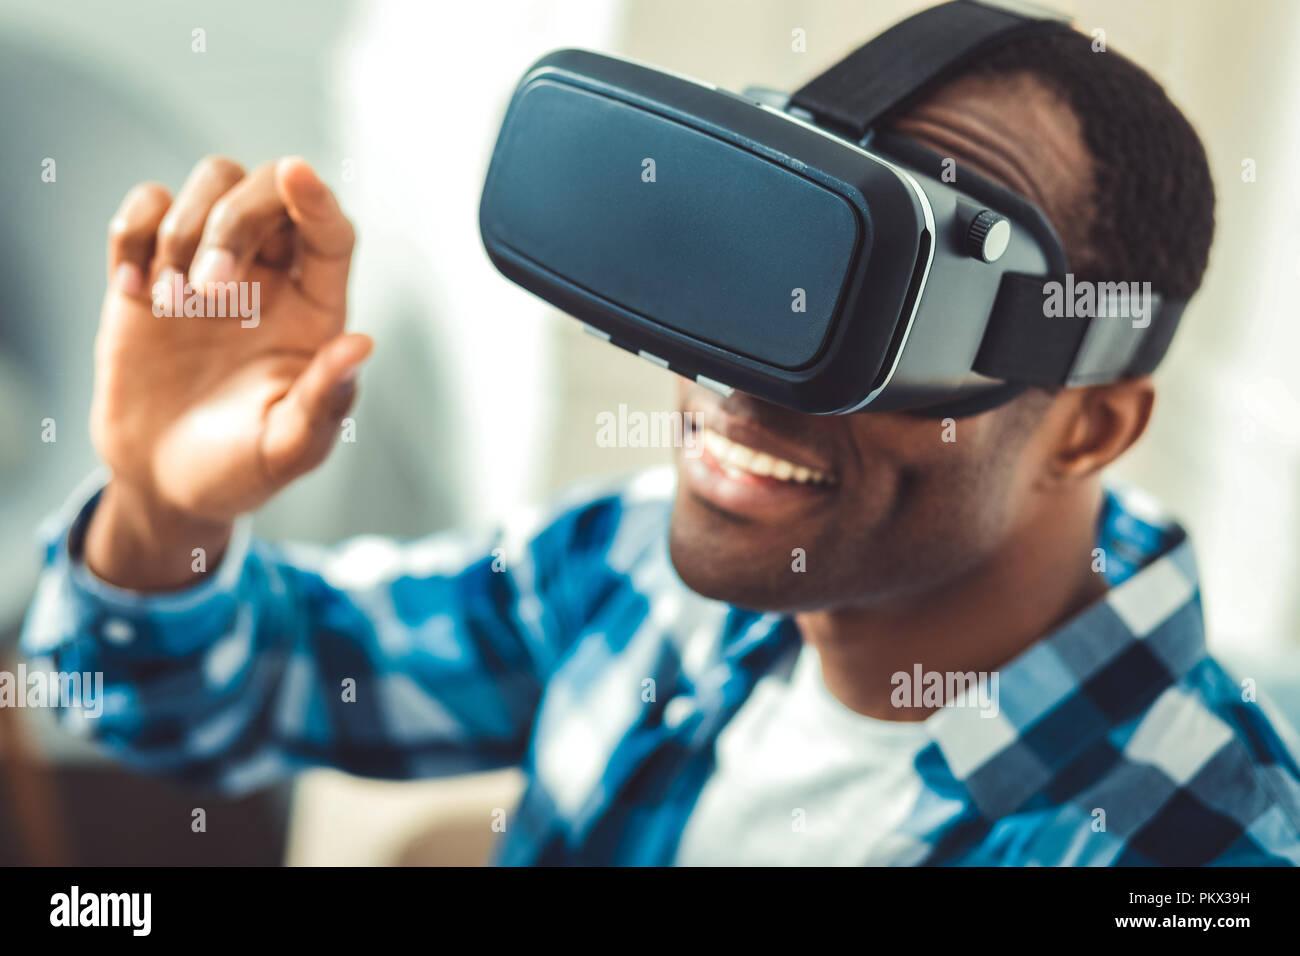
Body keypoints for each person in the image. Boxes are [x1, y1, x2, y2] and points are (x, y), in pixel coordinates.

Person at [21, 23, 1300, 865]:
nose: (746, 385)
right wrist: (161, 501)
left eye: (897, 320)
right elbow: (175, 702)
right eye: (776, 268)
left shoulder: (1192, 841)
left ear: (1089, 423)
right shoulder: (635, 573)